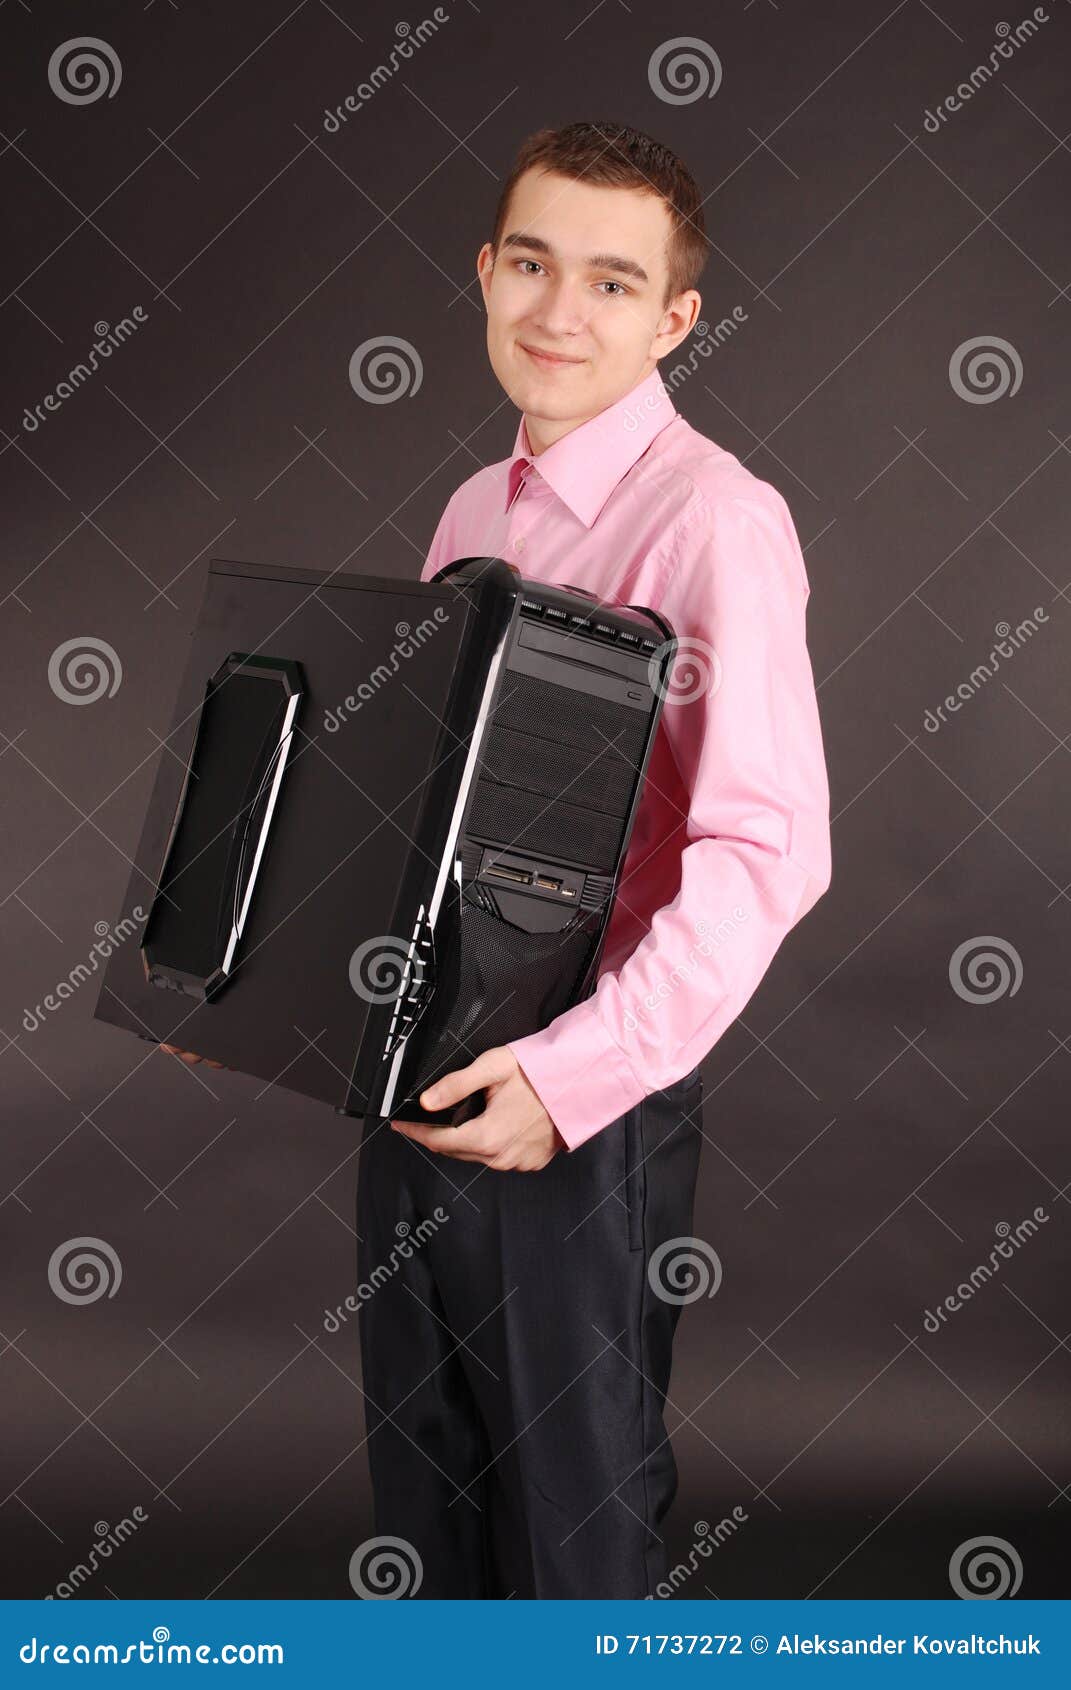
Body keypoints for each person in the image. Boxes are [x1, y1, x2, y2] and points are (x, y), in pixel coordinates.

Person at [352, 120, 833, 1599]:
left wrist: (573, 1081)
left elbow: (766, 849)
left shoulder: (718, 520)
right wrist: (252, 983)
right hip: (421, 1074)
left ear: (675, 319)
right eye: (533, 264)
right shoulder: (473, 510)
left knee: (576, 1523)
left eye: (613, 283)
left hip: (580, 1101)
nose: (561, 311)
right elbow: (425, 807)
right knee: (431, 1492)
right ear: (484, 275)